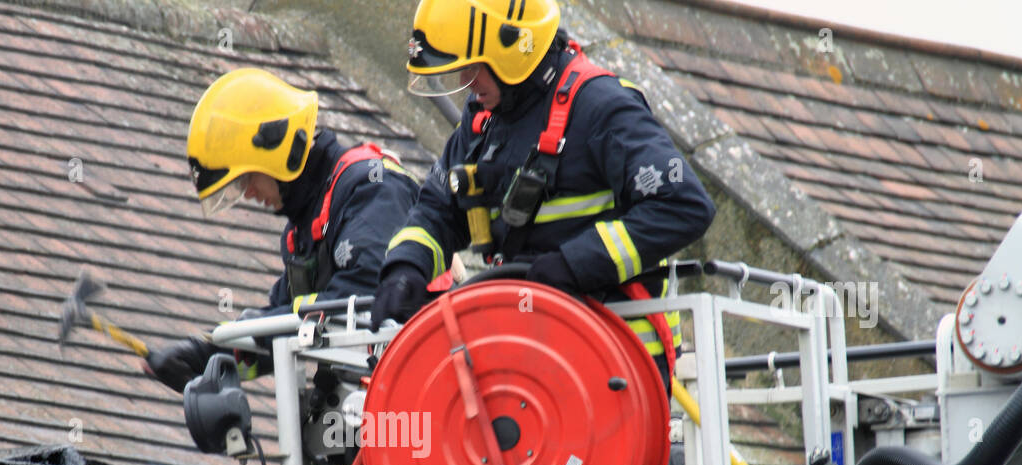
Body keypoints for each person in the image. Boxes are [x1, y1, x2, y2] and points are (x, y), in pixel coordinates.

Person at [372, 0, 716, 391]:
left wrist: (575, 265)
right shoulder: (483, 117)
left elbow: (684, 205)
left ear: (512, 48)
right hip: (528, 354)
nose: (466, 83)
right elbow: (437, 208)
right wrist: (404, 269)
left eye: (472, 68)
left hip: (616, 360)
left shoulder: (601, 107)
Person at [147, 67, 424, 393]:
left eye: (246, 179)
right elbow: (280, 331)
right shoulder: (303, 233)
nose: (248, 194)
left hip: (427, 391)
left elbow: (363, 299)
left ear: (279, 150)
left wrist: (258, 327)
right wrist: (204, 356)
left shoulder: (372, 186)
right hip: (378, 399)